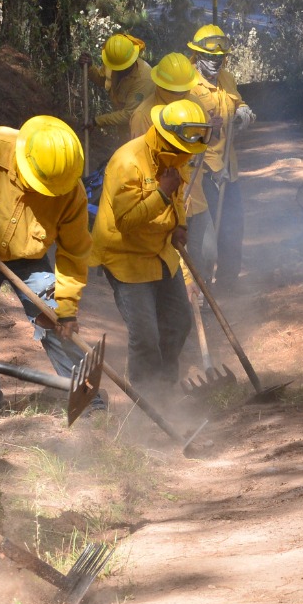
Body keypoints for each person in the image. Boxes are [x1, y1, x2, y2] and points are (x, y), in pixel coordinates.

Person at [0, 115, 94, 418]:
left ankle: (89, 403)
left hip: (29, 261)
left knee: (55, 324)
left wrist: (67, 310)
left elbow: (74, 253)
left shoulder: (71, 192)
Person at [90, 99, 209, 401]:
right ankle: (144, 400)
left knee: (180, 320)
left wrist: (180, 224)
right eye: (184, 151)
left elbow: (179, 195)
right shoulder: (127, 162)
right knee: (145, 335)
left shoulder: (174, 158)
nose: (186, 158)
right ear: (169, 139)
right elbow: (127, 222)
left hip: (161, 252)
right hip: (125, 257)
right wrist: (161, 192)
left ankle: (163, 388)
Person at [185, 24, 256, 290]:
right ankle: (202, 287)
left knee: (233, 226)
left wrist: (243, 115)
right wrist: (205, 128)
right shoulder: (187, 86)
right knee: (205, 236)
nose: (216, 62)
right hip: (201, 171)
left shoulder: (226, 79)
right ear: (197, 55)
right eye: (210, 57)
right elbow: (181, 131)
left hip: (228, 166)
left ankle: (228, 283)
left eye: (220, 57)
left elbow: (239, 103)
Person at [89, 33, 155, 146]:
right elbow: (102, 80)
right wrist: (89, 67)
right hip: (122, 129)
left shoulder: (144, 78)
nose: (117, 70)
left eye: (122, 67)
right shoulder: (113, 61)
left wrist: (97, 121)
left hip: (140, 129)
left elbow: (128, 114)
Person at [127, 52, 200, 140]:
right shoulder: (143, 116)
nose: (179, 95)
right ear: (159, 85)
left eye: (183, 90)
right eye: (174, 91)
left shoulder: (195, 103)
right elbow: (142, 152)